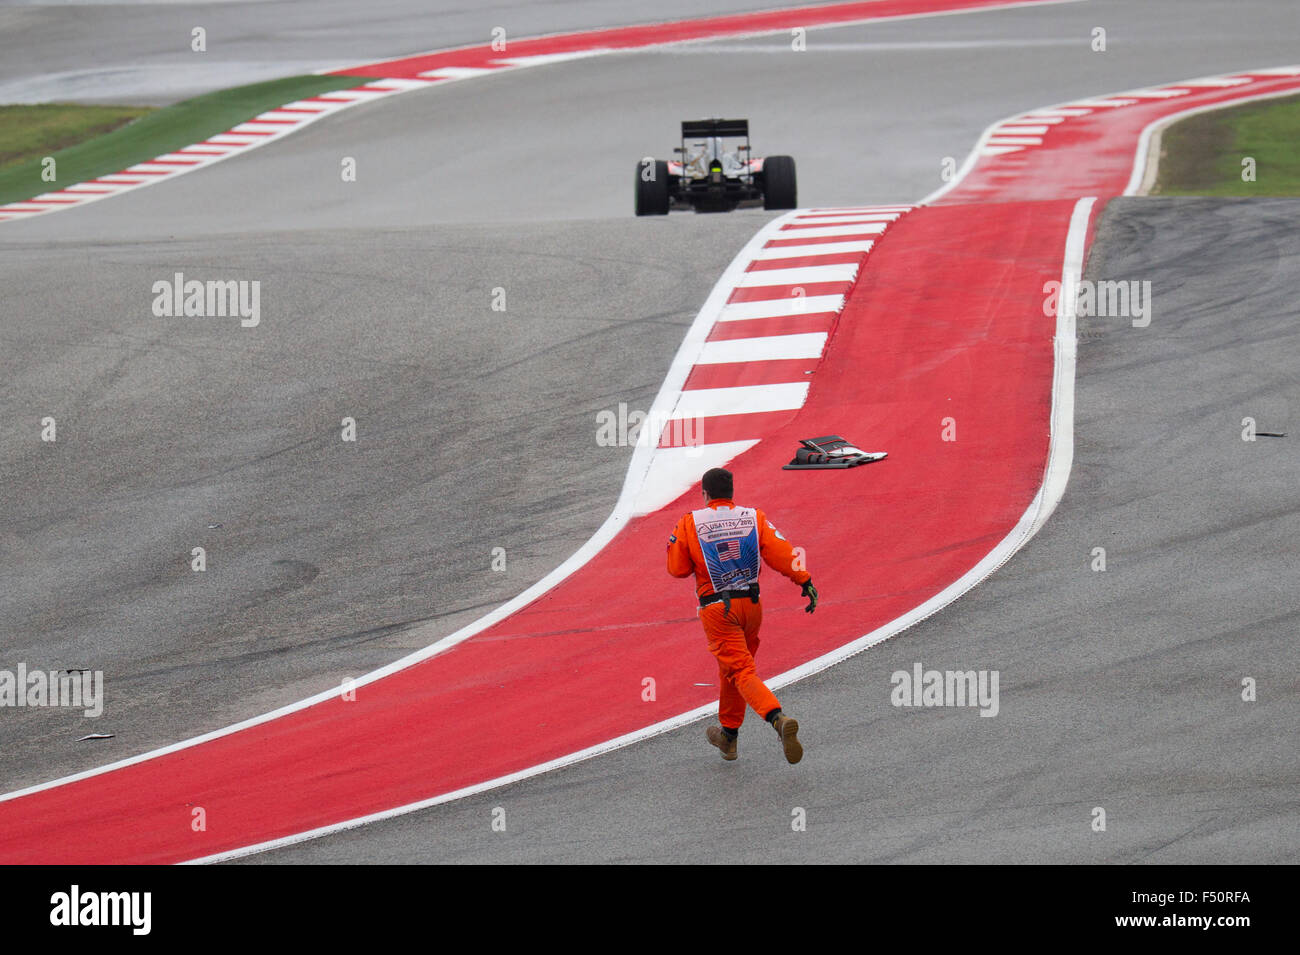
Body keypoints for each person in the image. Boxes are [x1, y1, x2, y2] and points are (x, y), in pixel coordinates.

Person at [666, 467, 818, 764]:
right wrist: (805, 580)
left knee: (740, 671)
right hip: (752, 604)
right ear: (732, 493)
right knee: (732, 669)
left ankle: (778, 718)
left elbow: (678, 569)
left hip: (717, 608)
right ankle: (729, 736)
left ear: (705, 494)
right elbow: (782, 552)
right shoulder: (753, 517)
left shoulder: (689, 522)